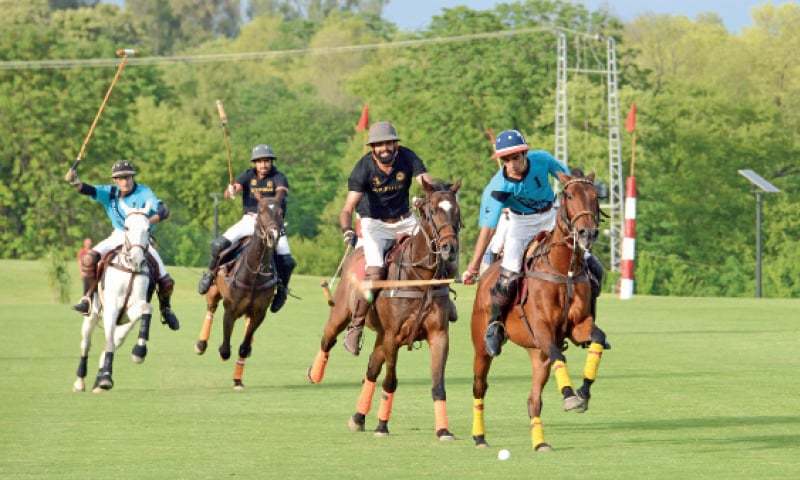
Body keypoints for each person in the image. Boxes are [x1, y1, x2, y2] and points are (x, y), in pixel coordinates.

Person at [461, 129, 569, 357]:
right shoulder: (498, 187)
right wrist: (473, 266)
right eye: (506, 159)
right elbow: (488, 229)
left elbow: (568, 182)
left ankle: (584, 312)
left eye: (515, 157)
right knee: (508, 274)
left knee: (588, 261)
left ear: (525, 154)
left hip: (552, 216)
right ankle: (495, 324)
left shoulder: (542, 160)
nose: (511, 164)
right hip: (521, 225)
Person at [339, 121, 436, 355]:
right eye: (379, 144)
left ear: (395, 144)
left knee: (432, 250)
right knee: (375, 271)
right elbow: (348, 207)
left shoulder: (407, 157)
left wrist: (432, 195)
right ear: (373, 148)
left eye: (388, 143)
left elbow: (426, 182)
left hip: (405, 220)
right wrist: (347, 229)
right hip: (374, 224)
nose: (385, 148)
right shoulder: (363, 168)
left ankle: (444, 302)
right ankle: (356, 326)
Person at [65, 160, 179, 330]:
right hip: (118, 235)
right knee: (89, 259)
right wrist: (74, 181)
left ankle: (166, 309)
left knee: (166, 281)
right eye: (120, 178)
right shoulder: (110, 193)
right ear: (115, 180)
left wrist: (145, 222)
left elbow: (164, 211)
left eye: (128, 177)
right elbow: (86, 189)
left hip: (140, 240)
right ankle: (87, 299)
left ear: (133, 177)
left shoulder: (144, 192)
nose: (125, 181)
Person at [197, 144, 295, 313]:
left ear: (271, 162)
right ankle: (210, 273)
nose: (263, 165)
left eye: (266, 161)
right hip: (250, 220)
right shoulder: (248, 175)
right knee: (218, 245)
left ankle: (282, 291)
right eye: (259, 161)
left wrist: (268, 203)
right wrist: (231, 190)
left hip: (272, 222)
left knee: (287, 260)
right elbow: (234, 190)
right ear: (254, 163)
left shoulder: (279, 177)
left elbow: (280, 194)